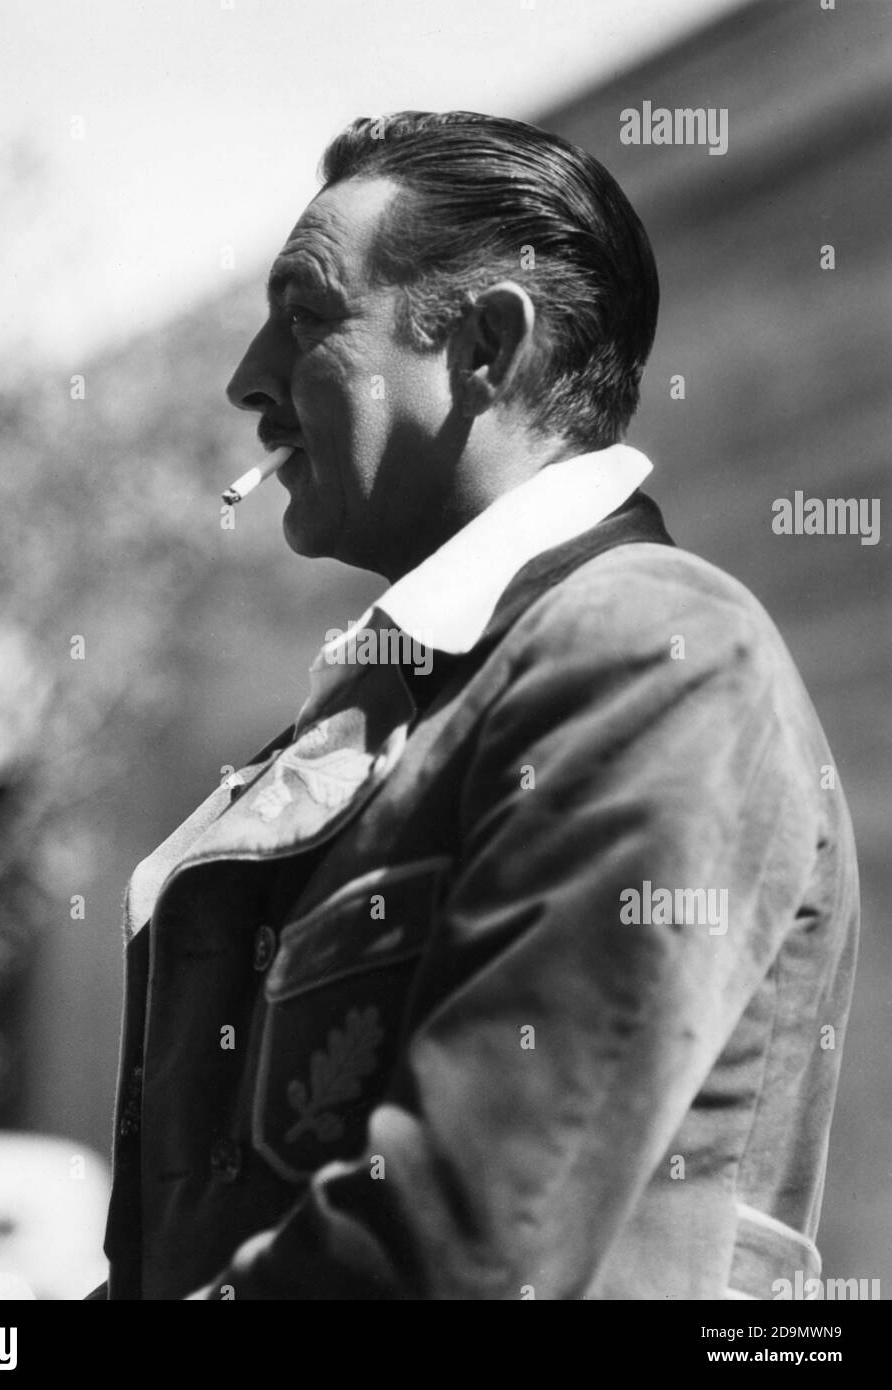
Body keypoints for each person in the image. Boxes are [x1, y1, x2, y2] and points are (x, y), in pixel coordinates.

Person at [91, 111, 859, 1300]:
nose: (250, 379)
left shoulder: (651, 654)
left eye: (304, 315)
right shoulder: (401, 705)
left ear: (489, 345)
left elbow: (458, 1244)